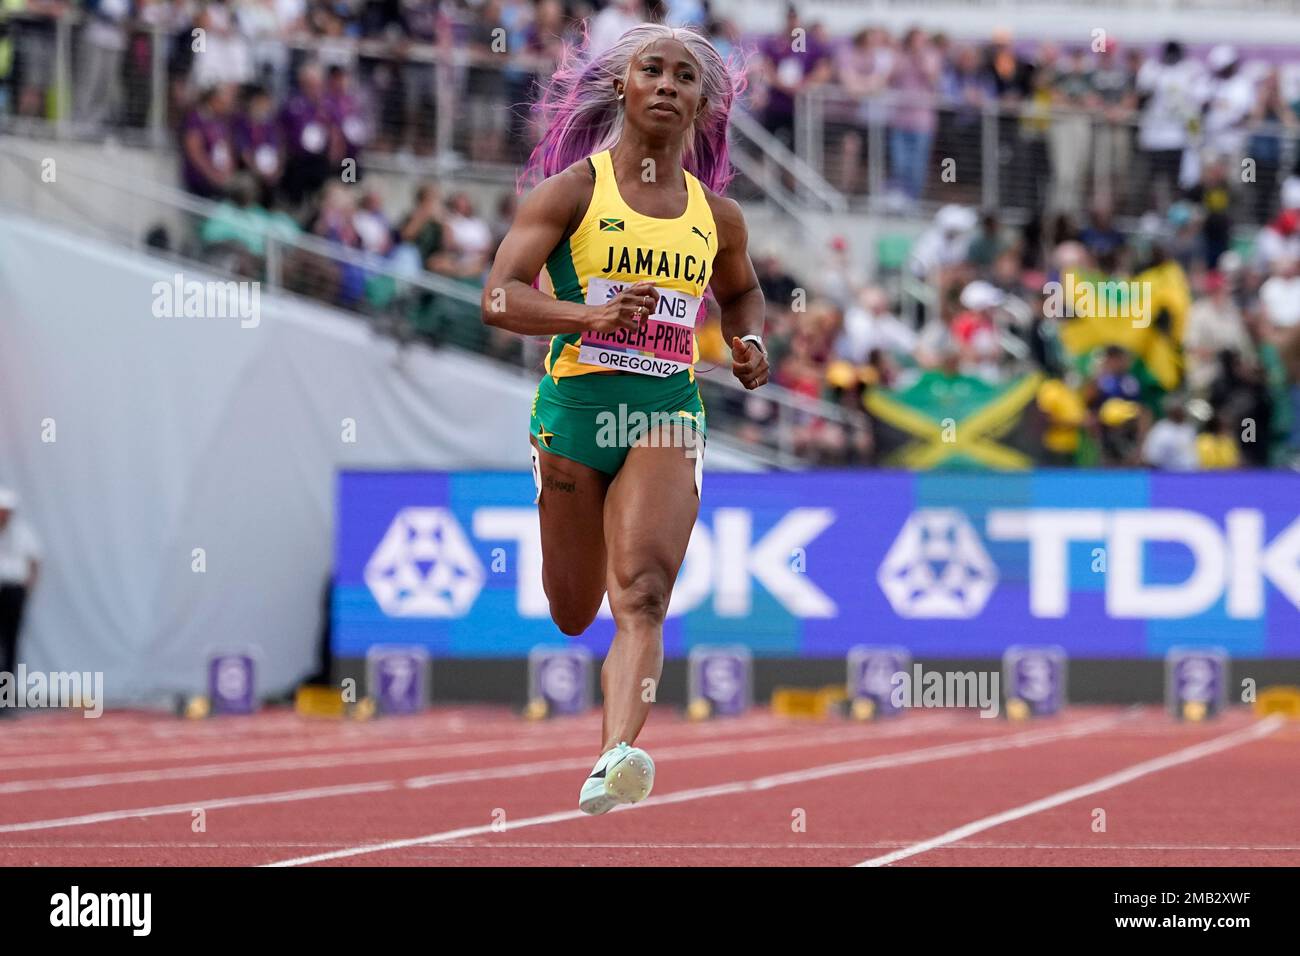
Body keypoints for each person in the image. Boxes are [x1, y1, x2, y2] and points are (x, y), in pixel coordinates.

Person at [482, 24, 766, 815]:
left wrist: (746, 339)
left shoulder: (718, 217)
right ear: (623, 87)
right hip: (575, 411)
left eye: (685, 77)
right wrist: (589, 315)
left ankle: (616, 755)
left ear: (703, 105)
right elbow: (499, 297)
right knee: (574, 610)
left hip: (666, 412)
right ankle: (555, 499)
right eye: (653, 70)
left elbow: (742, 290)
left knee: (641, 591)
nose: (669, 85)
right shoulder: (574, 191)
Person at [0, 488, 41, 714]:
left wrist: (27, 589)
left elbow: (35, 561)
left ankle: (4, 700)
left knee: (10, 645)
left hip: (13, 593)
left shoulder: (22, 533)